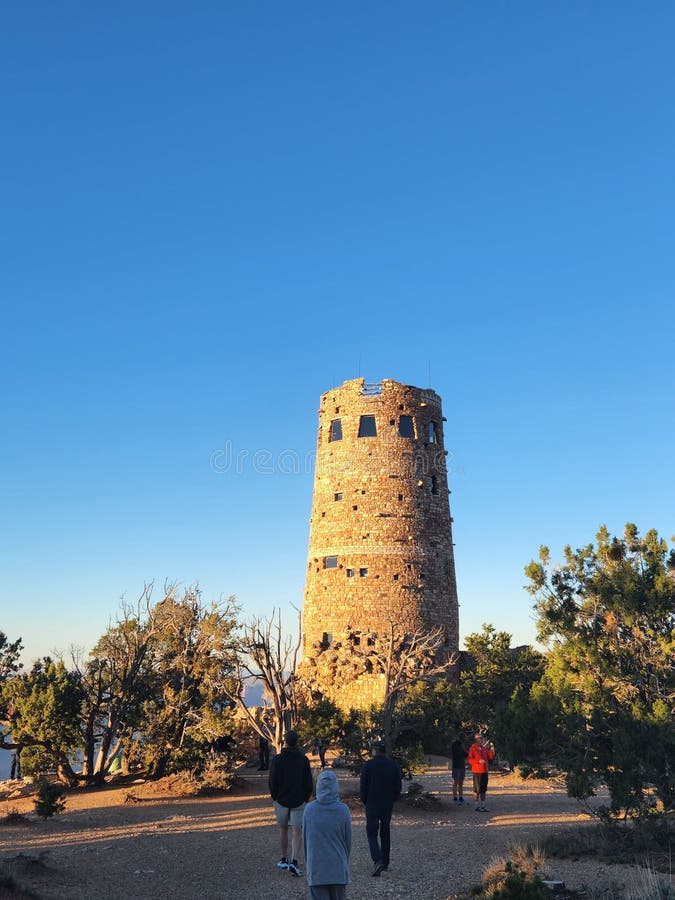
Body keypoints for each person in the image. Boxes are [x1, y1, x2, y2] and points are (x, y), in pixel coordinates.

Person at [269, 729, 314, 877]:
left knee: (283, 829)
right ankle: (294, 861)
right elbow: (308, 782)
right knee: (297, 832)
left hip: (281, 799)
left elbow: (272, 781)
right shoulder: (303, 759)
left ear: (285, 742)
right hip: (298, 800)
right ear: (297, 742)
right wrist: (305, 798)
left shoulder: (277, 759)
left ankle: (284, 858)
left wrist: (274, 796)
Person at [303, 769, 352, 900]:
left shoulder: (309, 810)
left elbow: (306, 841)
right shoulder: (343, 810)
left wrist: (309, 866)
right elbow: (348, 842)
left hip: (316, 869)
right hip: (338, 869)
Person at [359, 741, 402, 877]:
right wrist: (393, 799)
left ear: (375, 751)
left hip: (372, 803)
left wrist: (365, 800)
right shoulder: (393, 765)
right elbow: (398, 786)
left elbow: (363, 787)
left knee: (371, 833)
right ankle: (385, 860)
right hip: (387, 803)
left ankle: (377, 860)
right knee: (385, 831)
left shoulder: (368, 765)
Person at [467, 733, 495, 811]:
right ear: (476, 739)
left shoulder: (484, 748)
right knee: (477, 789)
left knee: (483, 789)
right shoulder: (473, 748)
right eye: (479, 738)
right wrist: (478, 761)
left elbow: (491, 756)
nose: (481, 739)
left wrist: (492, 748)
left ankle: (483, 806)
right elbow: (469, 760)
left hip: (484, 771)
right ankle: (476, 806)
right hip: (477, 771)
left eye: (482, 738)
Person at [450, 732, 468, 803]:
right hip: (456, 766)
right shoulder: (454, 745)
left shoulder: (462, 745)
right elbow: (459, 754)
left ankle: (460, 797)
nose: (463, 740)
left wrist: (467, 753)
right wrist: (465, 753)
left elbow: (465, 754)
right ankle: (455, 798)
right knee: (455, 782)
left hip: (462, 765)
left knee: (461, 782)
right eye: (462, 738)